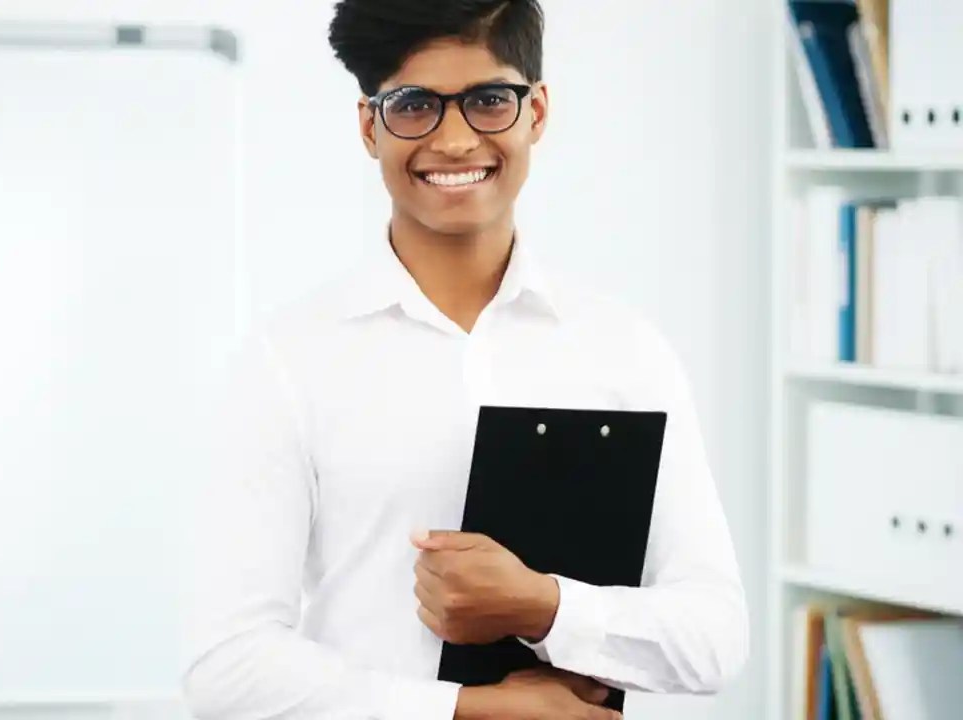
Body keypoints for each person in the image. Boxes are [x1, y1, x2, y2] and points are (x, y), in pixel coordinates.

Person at [181, 1, 748, 718]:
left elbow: (717, 637)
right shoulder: (288, 360)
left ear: (536, 111)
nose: (453, 140)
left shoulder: (625, 350)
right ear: (369, 126)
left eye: (487, 100)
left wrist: (541, 606)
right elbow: (224, 664)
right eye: (415, 105)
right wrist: (471, 710)